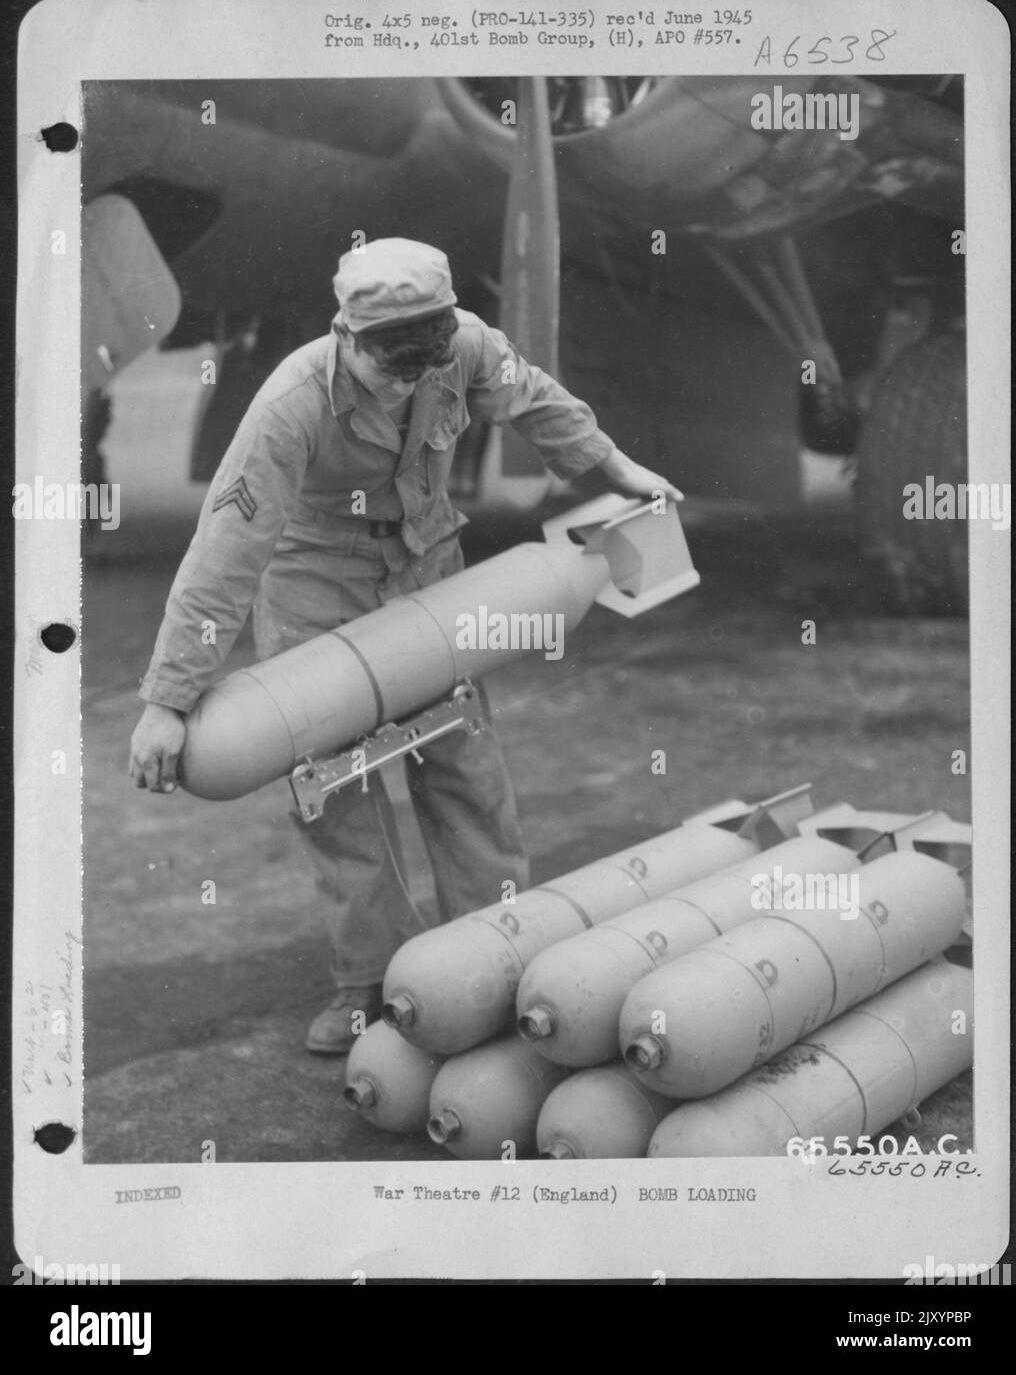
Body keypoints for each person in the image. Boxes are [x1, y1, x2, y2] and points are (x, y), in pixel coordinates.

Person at [129, 238, 681, 1054]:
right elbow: (225, 552)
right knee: (333, 791)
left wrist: (614, 467)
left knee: (462, 761)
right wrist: (168, 702)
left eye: (424, 358)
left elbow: (534, 400)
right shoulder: (290, 405)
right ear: (345, 334)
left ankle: (499, 949)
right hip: (316, 584)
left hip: (425, 566)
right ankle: (368, 979)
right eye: (389, 360)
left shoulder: (457, 347)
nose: (407, 379)